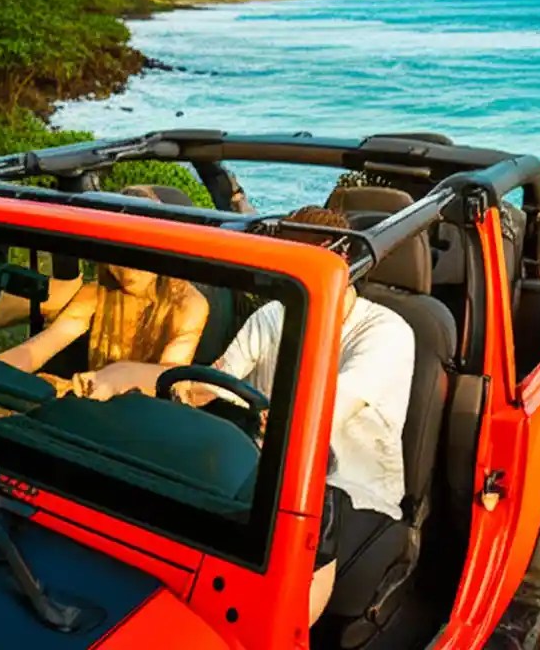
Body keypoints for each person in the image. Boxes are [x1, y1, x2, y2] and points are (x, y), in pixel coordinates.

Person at [157, 205, 415, 625]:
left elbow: (322, 414)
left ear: (340, 263)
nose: (286, 278)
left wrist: (253, 409)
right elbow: (223, 376)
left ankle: (282, 630)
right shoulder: (275, 313)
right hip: (267, 470)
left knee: (306, 518)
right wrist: (190, 390)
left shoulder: (386, 333)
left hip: (347, 482)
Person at [0, 188, 210, 396]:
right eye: (117, 252)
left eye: (139, 252)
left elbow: (171, 376)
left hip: (147, 420)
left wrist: (121, 375)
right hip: (90, 405)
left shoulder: (188, 304)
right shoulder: (97, 294)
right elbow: (35, 350)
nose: (127, 267)